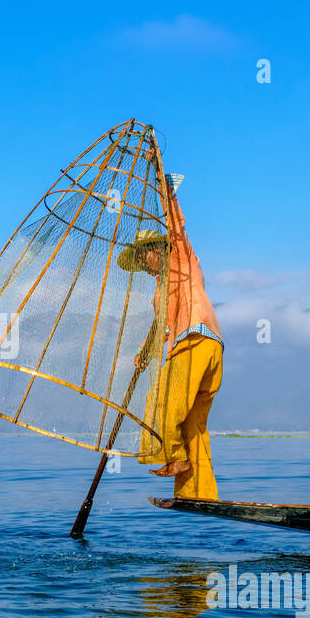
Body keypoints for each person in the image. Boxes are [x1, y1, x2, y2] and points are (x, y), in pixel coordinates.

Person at [117, 183, 224, 500]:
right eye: (140, 257)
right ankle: (198, 493)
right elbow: (161, 328)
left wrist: (166, 190)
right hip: (204, 346)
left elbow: (176, 227)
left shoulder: (183, 263)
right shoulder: (159, 290)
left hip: (195, 341)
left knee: (161, 400)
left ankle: (175, 458)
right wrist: (144, 352)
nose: (144, 262)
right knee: (192, 425)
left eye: (145, 254)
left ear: (159, 250)